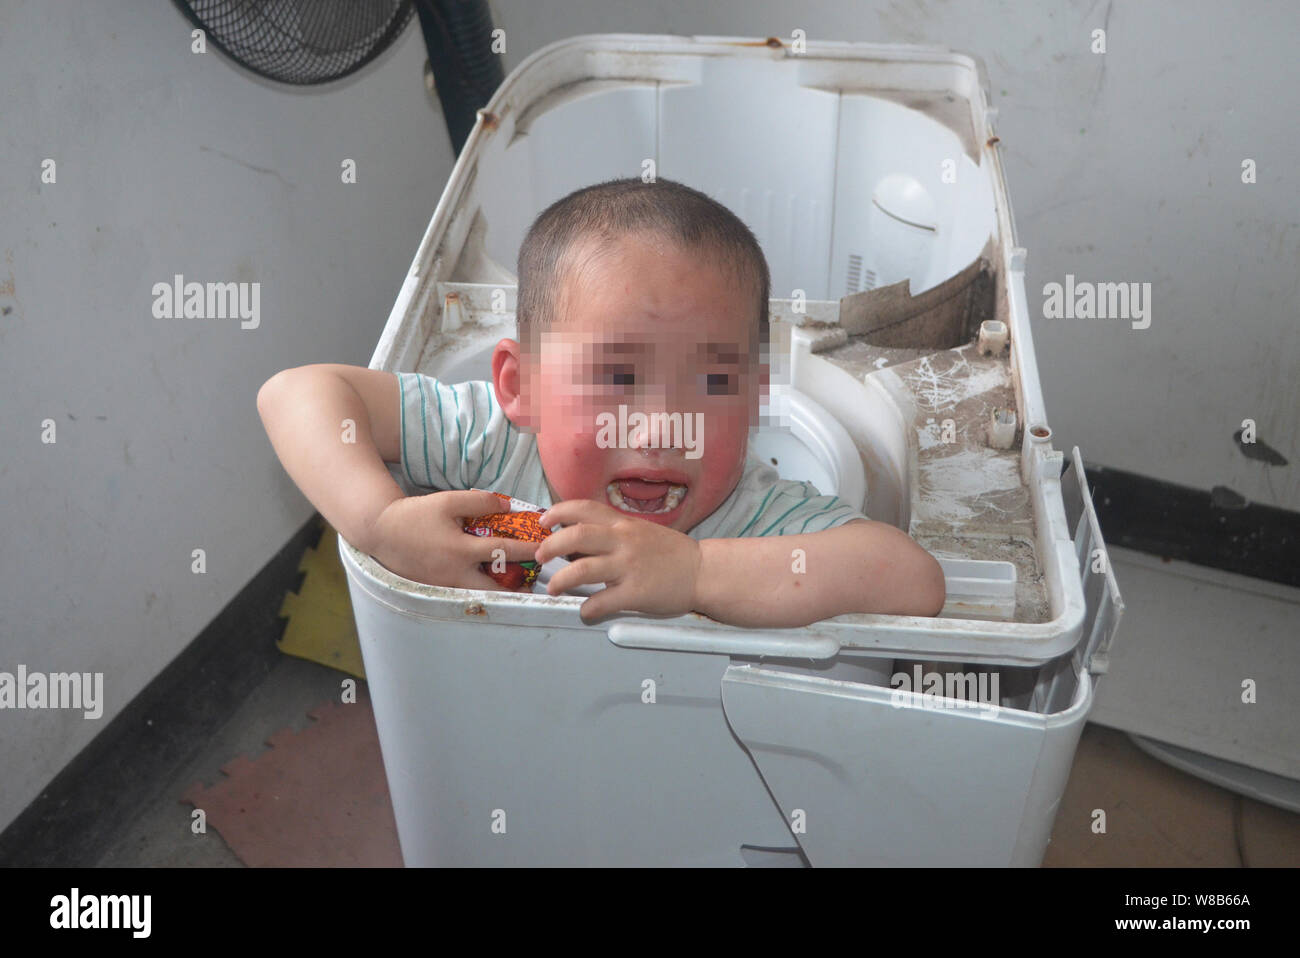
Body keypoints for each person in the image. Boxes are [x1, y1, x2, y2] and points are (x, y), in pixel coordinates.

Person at [258, 177, 946, 627]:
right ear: (520, 387)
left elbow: (911, 579)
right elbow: (298, 392)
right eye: (617, 378)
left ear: (757, 396)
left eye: (712, 384)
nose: (660, 427)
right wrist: (380, 521)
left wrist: (697, 571)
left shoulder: (753, 513)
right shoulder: (493, 444)